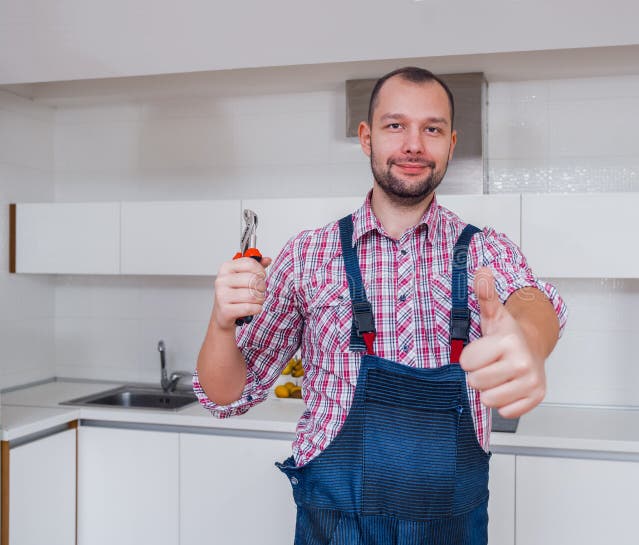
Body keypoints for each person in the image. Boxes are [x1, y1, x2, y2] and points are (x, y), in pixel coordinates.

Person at [194, 66, 568, 545]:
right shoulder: (308, 255)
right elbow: (227, 394)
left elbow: (534, 300)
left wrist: (530, 341)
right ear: (367, 138)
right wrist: (221, 323)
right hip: (334, 528)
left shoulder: (484, 251)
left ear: (451, 143)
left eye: (431, 129)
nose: (414, 144)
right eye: (396, 126)